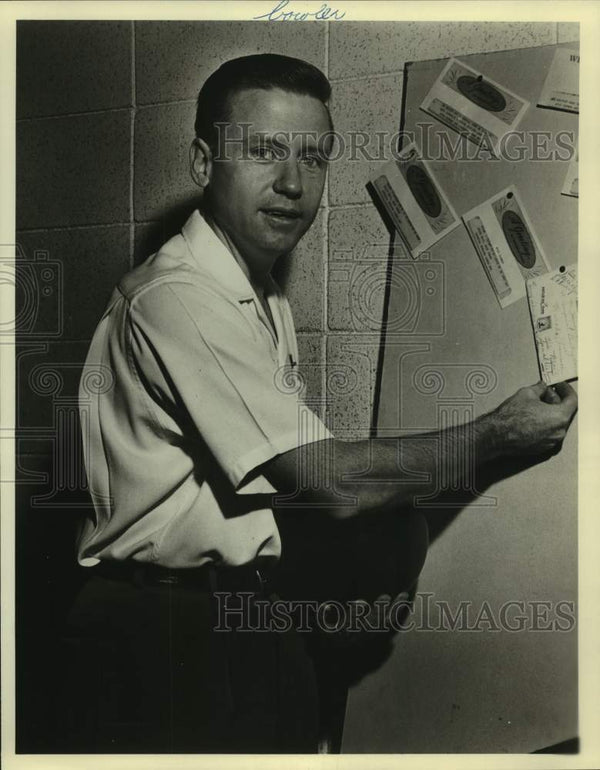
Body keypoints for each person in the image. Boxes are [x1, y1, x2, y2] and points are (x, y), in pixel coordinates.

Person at [63, 53, 577, 754]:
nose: (293, 184)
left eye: (314, 156)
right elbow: (334, 483)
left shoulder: (258, 293)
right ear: (202, 163)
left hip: (236, 616)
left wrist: (379, 557)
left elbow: (270, 493)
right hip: (165, 634)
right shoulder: (181, 298)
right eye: (264, 152)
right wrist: (499, 434)